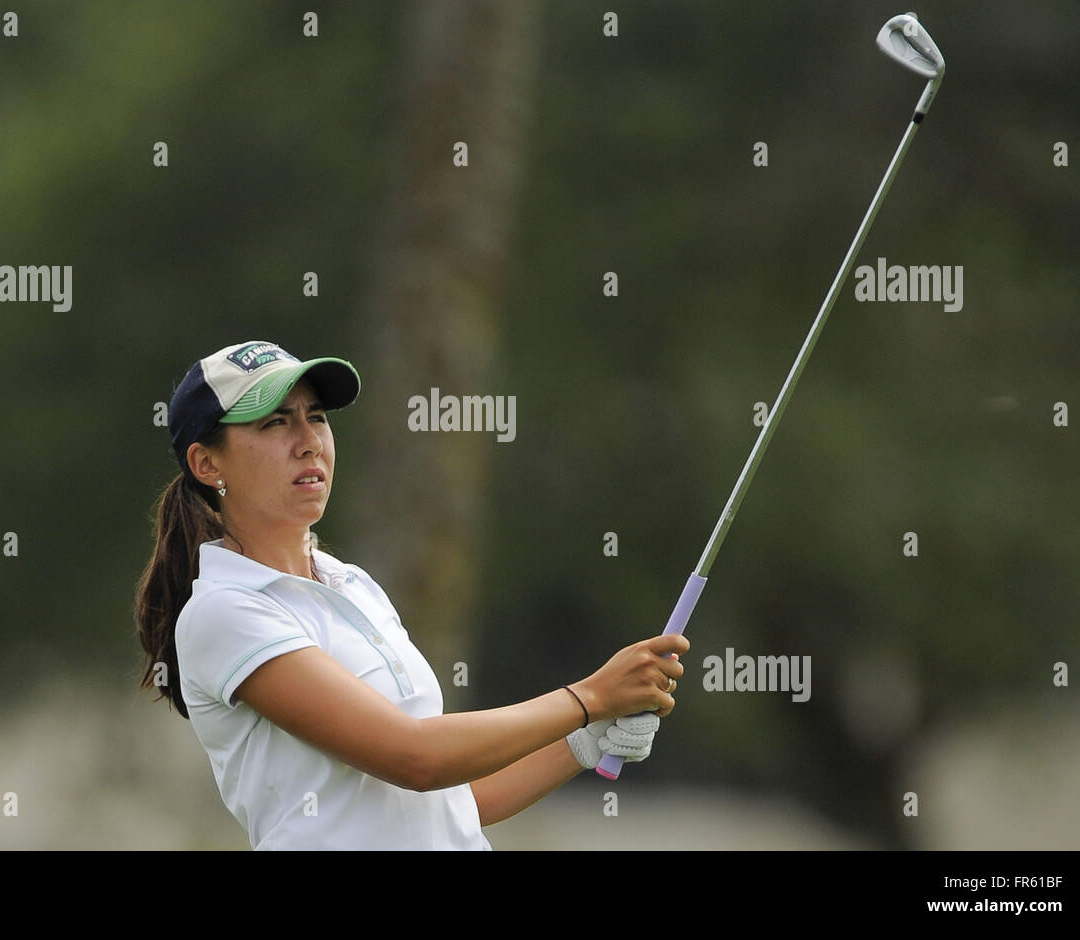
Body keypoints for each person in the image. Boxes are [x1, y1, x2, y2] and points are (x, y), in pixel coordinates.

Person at [135, 341, 688, 849]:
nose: (308, 441)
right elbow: (416, 757)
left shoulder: (351, 583)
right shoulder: (224, 611)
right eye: (276, 422)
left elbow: (453, 800)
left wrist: (582, 741)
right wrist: (586, 697)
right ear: (208, 464)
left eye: (317, 417)